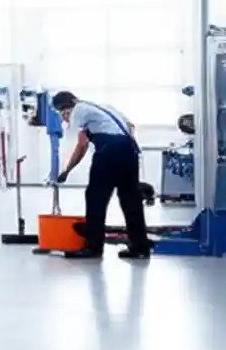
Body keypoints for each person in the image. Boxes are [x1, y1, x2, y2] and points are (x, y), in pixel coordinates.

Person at [52, 91, 151, 260]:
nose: (64, 119)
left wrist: (67, 170)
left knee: (95, 197)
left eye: (62, 115)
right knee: (130, 199)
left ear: (65, 109)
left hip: (109, 151)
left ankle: (93, 248)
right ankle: (140, 247)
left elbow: (82, 146)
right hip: (130, 148)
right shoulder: (103, 107)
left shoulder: (78, 111)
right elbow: (130, 126)